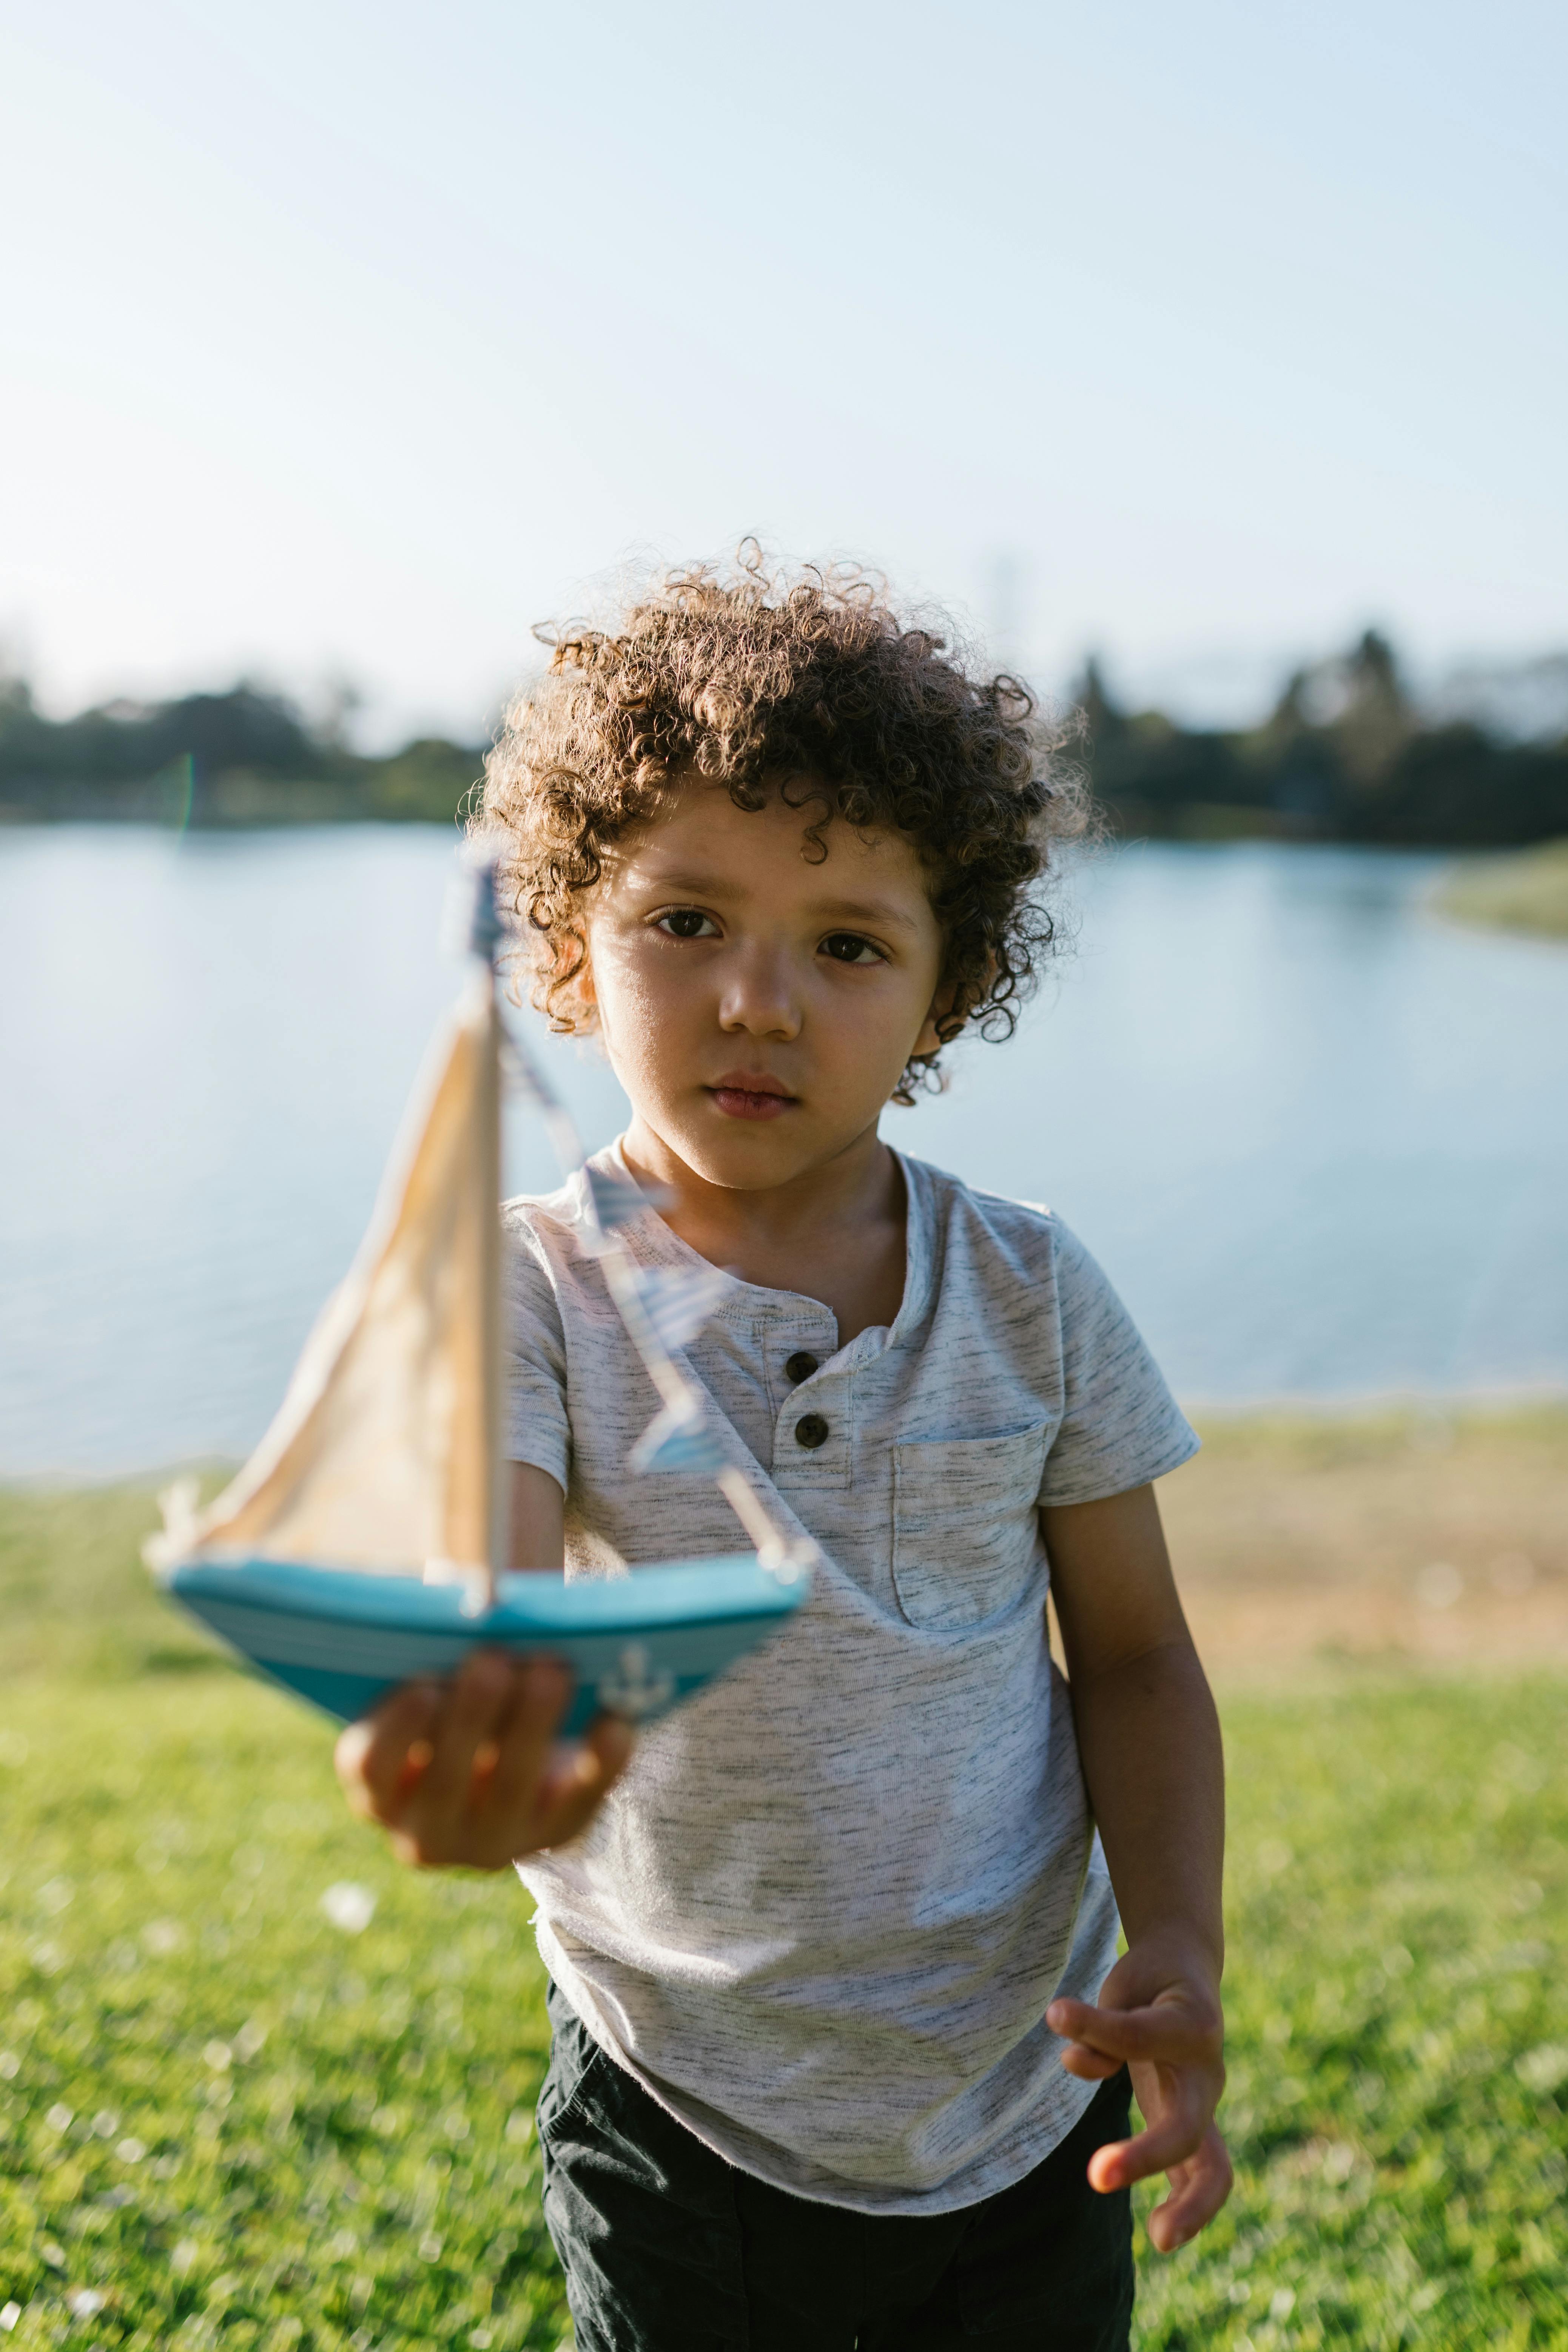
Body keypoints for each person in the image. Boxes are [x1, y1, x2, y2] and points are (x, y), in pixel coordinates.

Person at [336, 554, 1231, 2350]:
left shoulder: (1031, 1285)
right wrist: (475, 1715)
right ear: (571, 939)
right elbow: (491, 1592)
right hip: (684, 2102)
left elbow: (1132, 1653)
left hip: (1024, 2089)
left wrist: (1183, 1946)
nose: (758, 999)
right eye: (685, 921)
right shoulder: (530, 1286)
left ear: (944, 985)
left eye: (845, 944)